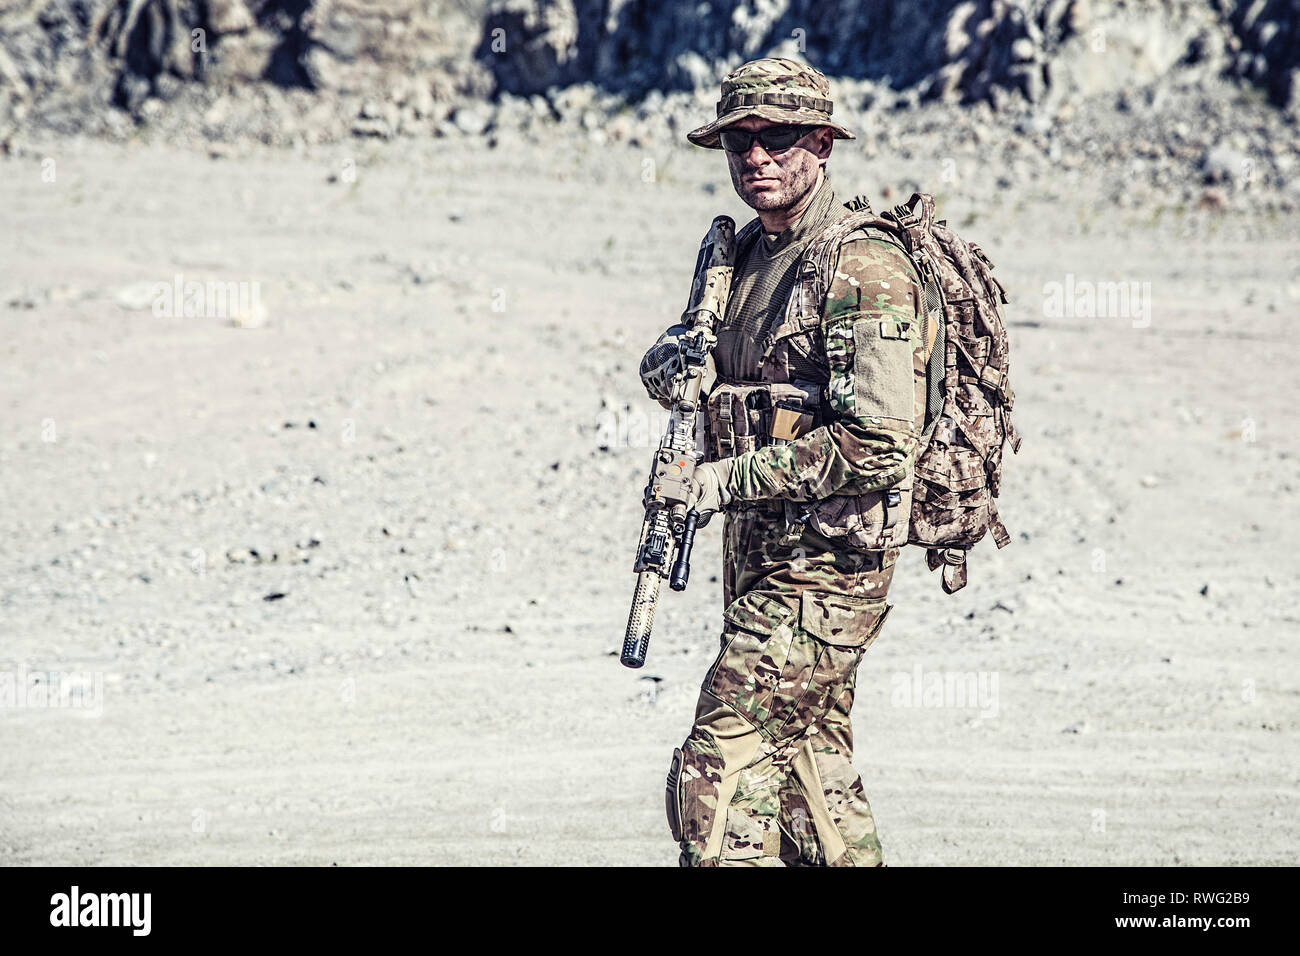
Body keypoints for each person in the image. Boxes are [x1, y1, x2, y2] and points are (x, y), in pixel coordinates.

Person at [640, 57, 934, 866]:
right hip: (762, 561)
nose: (755, 157)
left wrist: (720, 481)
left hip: (830, 570)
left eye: (776, 137)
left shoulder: (862, 267)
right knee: (811, 784)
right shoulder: (743, 258)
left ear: (821, 143)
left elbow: (878, 444)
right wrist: (674, 368)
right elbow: (693, 365)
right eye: (739, 140)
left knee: (721, 771)